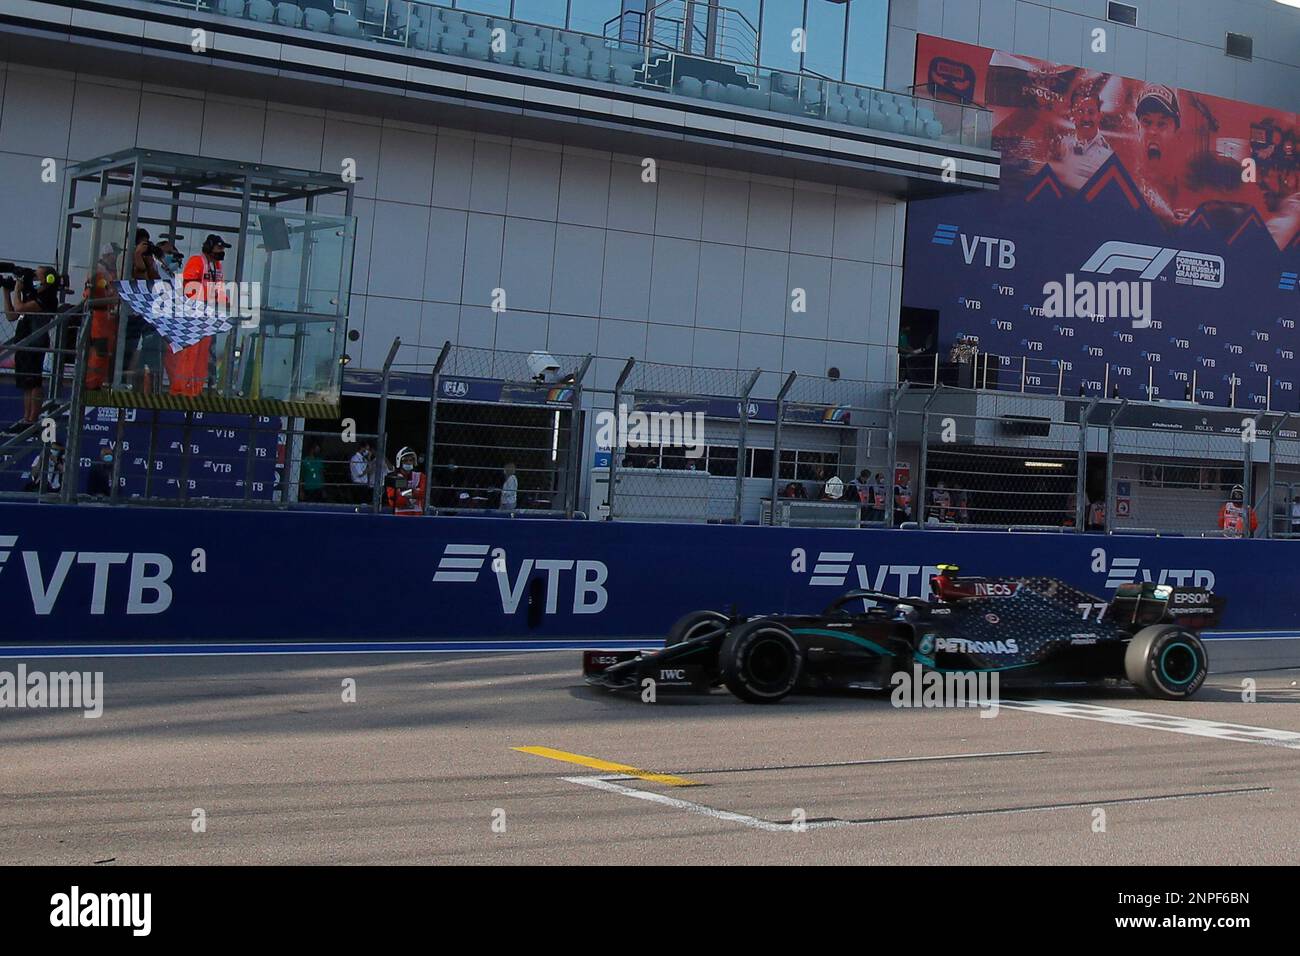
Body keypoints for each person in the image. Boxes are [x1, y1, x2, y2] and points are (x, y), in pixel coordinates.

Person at [170, 233, 230, 396]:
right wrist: (207, 299)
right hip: (193, 315)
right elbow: (188, 286)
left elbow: (219, 288)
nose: (221, 251)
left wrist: (227, 303)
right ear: (210, 247)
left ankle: (194, 390)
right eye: (219, 247)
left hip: (206, 317)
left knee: (203, 355)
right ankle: (180, 390)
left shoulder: (216, 266)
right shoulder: (197, 261)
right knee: (190, 353)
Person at [2, 264, 59, 432]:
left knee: (34, 381)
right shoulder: (32, 295)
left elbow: (19, 307)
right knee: (26, 383)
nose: (33, 279)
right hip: (22, 341)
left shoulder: (47, 297)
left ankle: (33, 418)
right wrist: (7, 291)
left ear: (47, 280)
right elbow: (12, 315)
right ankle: (27, 418)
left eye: (37, 276)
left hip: (35, 342)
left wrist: (18, 290)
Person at [1050, 85, 1114, 191]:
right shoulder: (1061, 145)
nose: (1086, 118)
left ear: (1099, 115)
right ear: (1072, 114)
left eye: (1091, 112)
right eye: (1080, 111)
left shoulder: (1108, 156)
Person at [83, 244, 121, 391]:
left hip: (107, 318)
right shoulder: (98, 272)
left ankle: (97, 382)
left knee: (104, 354)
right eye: (113, 255)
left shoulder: (108, 271)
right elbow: (89, 296)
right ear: (106, 255)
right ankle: (92, 384)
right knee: (99, 353)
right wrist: (114, 298)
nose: (115, 258)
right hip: (99, 318)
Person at [384, 446, 426, 516]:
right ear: (399, 462)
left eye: (411, 460)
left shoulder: (421, 476)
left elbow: (423, 494)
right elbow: (394, 501)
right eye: (405, 460)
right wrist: (414, 492)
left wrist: (403, 493)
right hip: (400, 516)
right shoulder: (393, 478)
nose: (409, 463)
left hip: (418, 516)